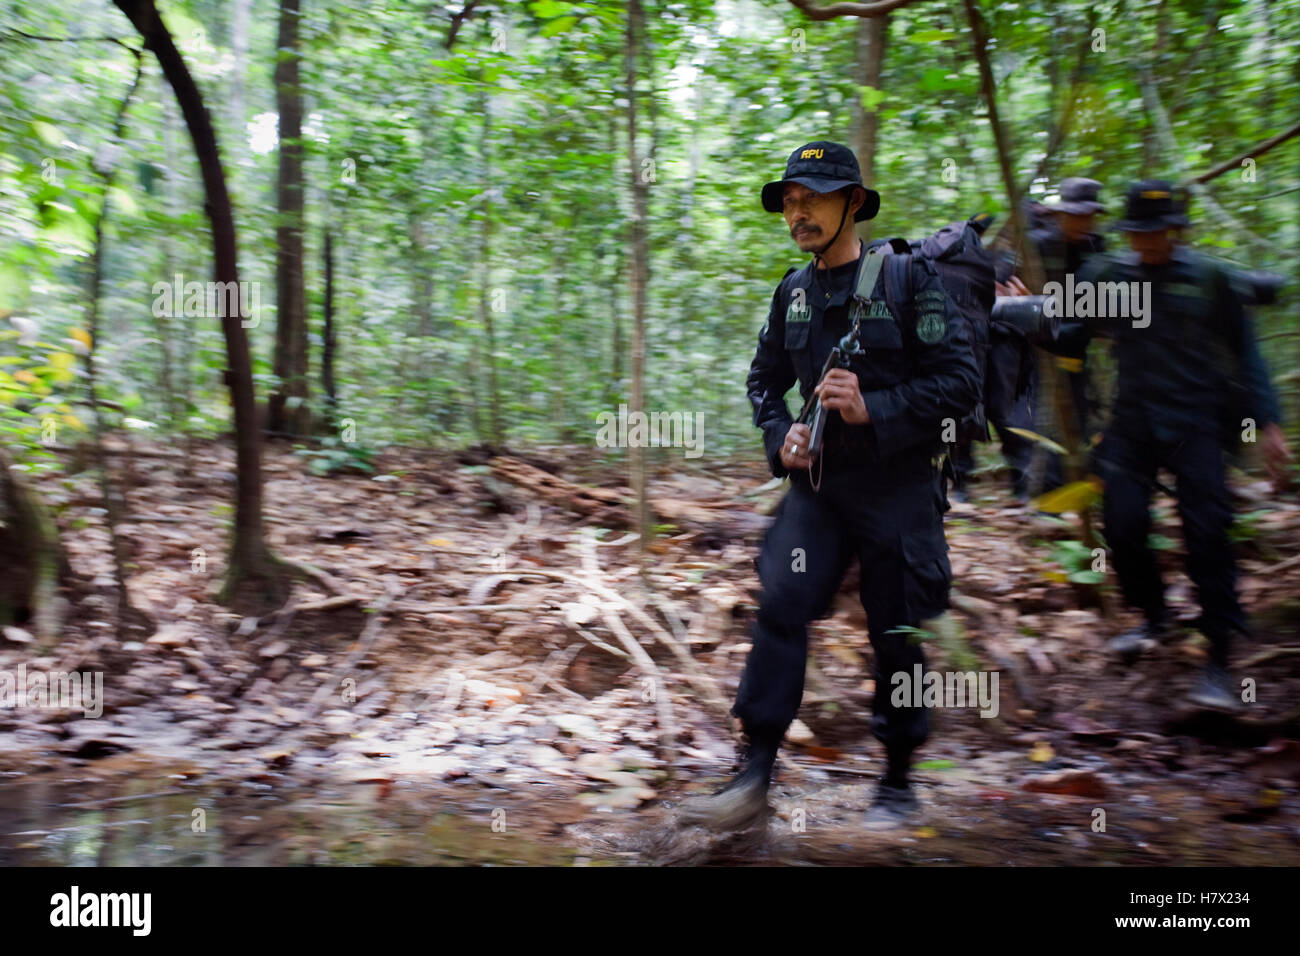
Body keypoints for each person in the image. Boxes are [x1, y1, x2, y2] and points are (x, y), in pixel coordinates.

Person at [678, 141, 980, 829]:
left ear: (852, 203)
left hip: (899, 491)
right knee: (783, 601)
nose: (797, 211)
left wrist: (880, 406)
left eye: (812, 197)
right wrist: (779, 435)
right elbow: (762, 381)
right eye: (789, 199)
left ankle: (899, 781)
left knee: (896, 629)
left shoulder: (909, 281)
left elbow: (961, 383)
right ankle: (753, 774)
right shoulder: (792, 292)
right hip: (819, 486)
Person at [1077, 180, 1291, 710]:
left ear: (1176, 229)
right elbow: (1068, 325)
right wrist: (1026, 311)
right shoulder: (1111, 274)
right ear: (1128, 233)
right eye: (1140, 234)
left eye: (1160, 232)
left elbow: (1247, 353)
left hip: (1198, 424)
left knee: (1208, 535)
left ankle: (1219, 660)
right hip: (1133, 426)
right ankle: (1154, 617)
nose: (1150, 243)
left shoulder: (1212, 279)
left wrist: (1269, 423)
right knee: (1123, 527)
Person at [996, 179, 1108, 496]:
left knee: (1077, 414)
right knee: (1028, 418)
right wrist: (1029, 306)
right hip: (1031, 346)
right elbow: (1003, 291)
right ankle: (1032, 490)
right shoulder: (1035, 246)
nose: (1082, 222)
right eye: (1075, 215)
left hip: (1074, 345)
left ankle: (1069, 487)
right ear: (1060, 214)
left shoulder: (1098, 250)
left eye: (1089, 215)